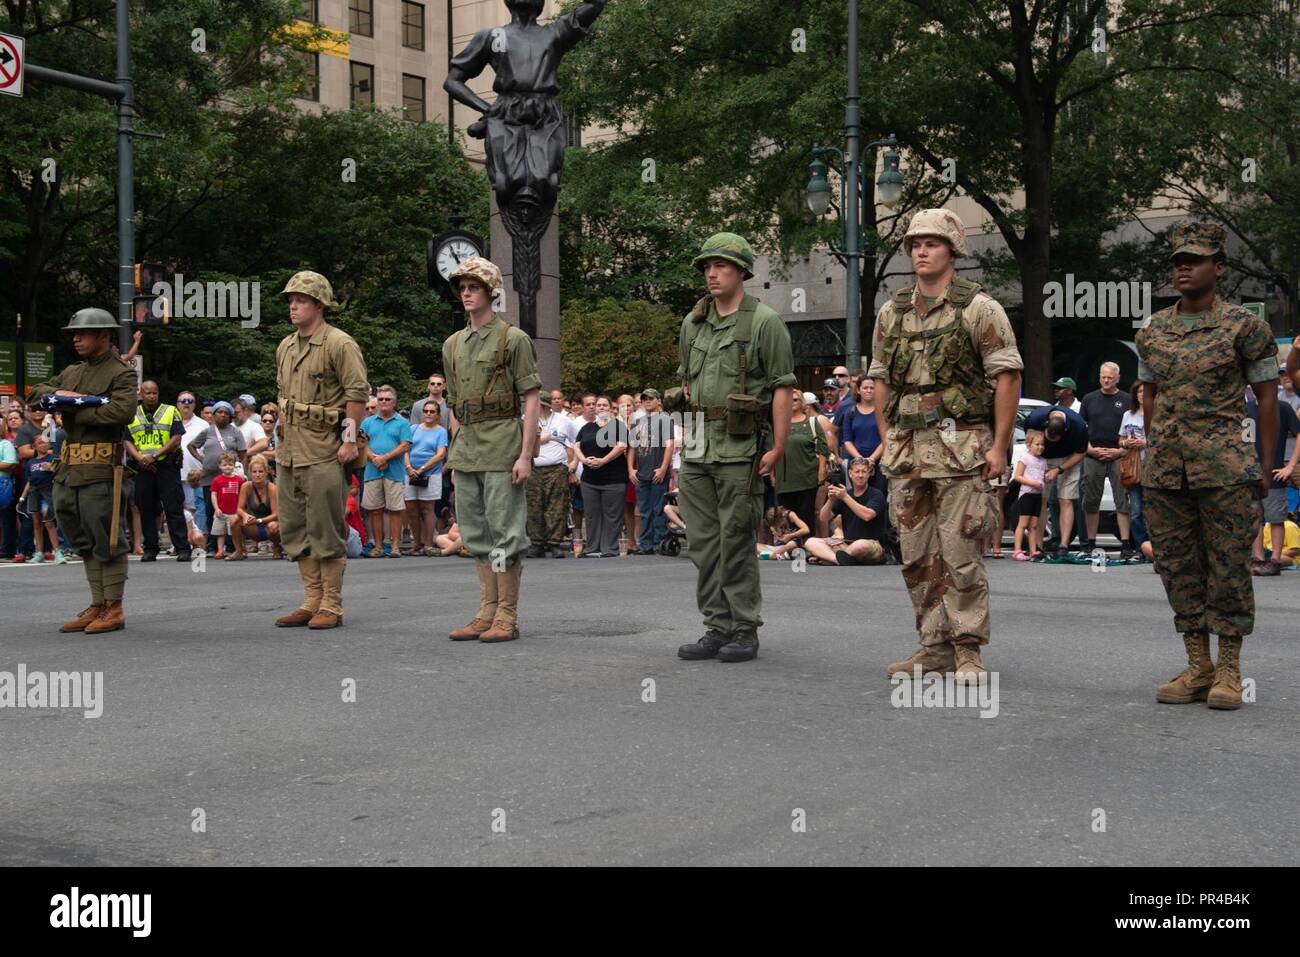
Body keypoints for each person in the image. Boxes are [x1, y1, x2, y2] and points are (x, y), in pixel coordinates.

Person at [869, 208, 1023, 681]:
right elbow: (880, 381)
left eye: (931, 243)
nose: (920, 250)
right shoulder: (891, 312)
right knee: (916, 555)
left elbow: (1006, 376)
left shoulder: (979, 308)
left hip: (962, 451)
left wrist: (999, 448)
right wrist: (886, 439)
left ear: (952, 249)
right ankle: (932, 644)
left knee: (960, 553)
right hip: (907, 454)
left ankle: (967, 649)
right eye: (914, 243)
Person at [1138, 222, 1277, 711]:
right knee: (1177, 568)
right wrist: (1155, 447)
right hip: (1165, 472)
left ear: (1218, 267)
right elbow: (1148, 394)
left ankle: (1231, 669)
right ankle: (1199, 666)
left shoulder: (1244, 326)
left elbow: (1266, 400)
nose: (1183, 268)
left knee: (1228, 567)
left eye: (1193, 260)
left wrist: (1264, 463)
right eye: (1178, 261)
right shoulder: (1153, 329)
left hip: (1224, 468)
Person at [669, 232, 795, 663]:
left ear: (742, 271)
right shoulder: (693, 323)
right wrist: (685, 440)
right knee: (702, 543)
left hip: (741, 448)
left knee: (736, 539)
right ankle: (716, 626)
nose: (711, 272)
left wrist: (778, 446)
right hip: (699, 444)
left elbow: (781, 388)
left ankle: (744, 628)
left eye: (720, 265)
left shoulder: (764, 322)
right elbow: (687, 385)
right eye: (707, 266)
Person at [442, 257, 542, 642]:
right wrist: (455, 451)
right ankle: (486, 610)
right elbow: (454, 404)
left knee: (505, 531)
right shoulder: (453, 344)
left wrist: (525, 453)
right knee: (475, 531)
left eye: (474, 287)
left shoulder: (512, 339)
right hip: (468, 447)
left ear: (490, 293)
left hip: (503, 443)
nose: (467, 293)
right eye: (463, 288)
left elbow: (531, 398)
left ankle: (507, 614)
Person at [27, 308, 137, 633]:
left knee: (106, 535)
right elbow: (37, 393)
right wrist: (65, 397)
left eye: (83, 334)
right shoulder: (72, 371)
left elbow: (122, 411)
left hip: (102, 468)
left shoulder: (121, 372)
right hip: (69, 466)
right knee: (80, 535)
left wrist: (77, 406)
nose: (76, 339)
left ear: (104, 335)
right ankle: (98, 603)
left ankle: (114, 607)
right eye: (75, 334)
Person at [272, 270, 368, 630]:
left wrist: (347, 439)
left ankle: (332, 603)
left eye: (300, 300)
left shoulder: (339, 344)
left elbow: (357, 395)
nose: (293, 306)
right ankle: (311, 598)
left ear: (319, 304)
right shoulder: (285, 346)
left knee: (326, 528)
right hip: (290, 449)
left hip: (325, 447)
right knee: (295, 528)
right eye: (291, 300)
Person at [124, 380, 189, 562]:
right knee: (146, 509)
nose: (151, 396)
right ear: (141, 395)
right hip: (143, 468)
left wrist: (156, 455)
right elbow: (127, 440)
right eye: (148, 393)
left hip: (166, 465)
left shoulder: (170, 411)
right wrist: (140, 459)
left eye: (154, 393)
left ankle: (182, 547)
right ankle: (150, 548)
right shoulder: (132, 414)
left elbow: (176, 438)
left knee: (173, 507)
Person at [1079, 362, 1134, 558]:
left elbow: (1133, 429)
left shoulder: (1127, 399)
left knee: (1122, 500)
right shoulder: (1089, 399)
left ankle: (1126, 544)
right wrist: (1090, 450)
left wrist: (1119, 451)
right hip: (1094, 453)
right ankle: (1090, 543)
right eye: (1103, 376)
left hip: (1119, 453)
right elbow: (1080, 429)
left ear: (1118, 378)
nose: (1106, 380)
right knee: (1091, 499)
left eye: (1110, 377)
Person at [1245, 388, 1300, 576]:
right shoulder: (1247, 408)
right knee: (1255, 518)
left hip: (1274, 472)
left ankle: (1275, 560)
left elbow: (1298, 433)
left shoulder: (1283, 408)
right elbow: (1244, 439)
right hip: (1251, 472)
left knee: (1276, 517)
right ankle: (1259, 558)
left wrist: (1290, 465)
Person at [1024, 404, 1088, 554]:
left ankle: (1063, 545)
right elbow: (1030, 441)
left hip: (1069, 459)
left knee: (1065, 500)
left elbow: (1081, 453)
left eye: (1055, 439)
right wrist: (1035, 462)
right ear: (1046, 424)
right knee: (1041, 501)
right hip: (1043, 459)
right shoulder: (1035, 418)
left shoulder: (1078, 426)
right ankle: (1038, 545)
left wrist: (1059, 470)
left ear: (1065, 430)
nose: (1051, 440)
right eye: (1048, 437)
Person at [359, 385, 413, 558]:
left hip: (394, 471)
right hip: (372, 471)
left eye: (387, 399)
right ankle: (378, 546)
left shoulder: (402, 423)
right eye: (381, 399)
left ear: (394, 402)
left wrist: (385, 458)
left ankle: (395, 546)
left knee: (395, 510)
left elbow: (405, 445)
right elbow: (361, 444)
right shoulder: (367, 422)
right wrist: (374, 458)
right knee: (375, 510)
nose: (383, 402)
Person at [187, 401, 247, 553]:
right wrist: (202, 460)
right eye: (219, 412)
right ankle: (213, 544)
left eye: (226, 413)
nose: (223, 415)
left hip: (230, 478)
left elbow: (243, 452)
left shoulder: (235, 432)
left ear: (230, 416)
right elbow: (191, 446)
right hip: (209, 479)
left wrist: (239, 466)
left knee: (230, 509)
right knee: (210, 510)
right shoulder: (208, 432)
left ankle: (231, 543)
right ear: (213, 415)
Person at [806, 458, 888, 566]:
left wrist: (845, 497)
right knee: (811, 542)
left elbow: (867, 515)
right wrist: (830, 500)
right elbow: (823, 518)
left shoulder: (876, 494)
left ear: (869, 474)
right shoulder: (844, 494)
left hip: (872, 544)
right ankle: (837, 560)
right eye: (857, 471)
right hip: (847, 543)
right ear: (850, 473)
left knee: (860, 545)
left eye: (864, 471)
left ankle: (829, 558)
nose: (860, 475)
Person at [526, 387, 578, 558]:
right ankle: (536, 543)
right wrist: (540, 439)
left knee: (556, 506)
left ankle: (554, 542)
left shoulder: (564, 421)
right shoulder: (526, 420)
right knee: (534, 507)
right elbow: (520, 442)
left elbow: (574, 442)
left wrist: (573, 463)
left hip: (557, 467)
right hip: (534, 467)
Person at [774, 389, 828, 545]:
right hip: (784, 478)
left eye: (796, 399)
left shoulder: (811, 422)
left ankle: (807, 546)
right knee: (785, 515)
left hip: (807, 477)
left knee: (806, 515)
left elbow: (823, 448)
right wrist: (772, 473)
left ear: (802, 402)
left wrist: (821, 470)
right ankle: (789, 547)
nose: (792, 402)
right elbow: (772, 449)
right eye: (789, 399)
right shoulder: (778, 423)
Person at [576, 403, 629, 558]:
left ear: (611, 409)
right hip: (589, 480)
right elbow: (576, 446)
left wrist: (603, 461)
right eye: (598, 405)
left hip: (613, 479)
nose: (601, 407)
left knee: (612, 516)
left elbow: (621, 446)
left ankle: (609, 549)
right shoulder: (587, 427)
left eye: (605, 405)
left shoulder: (618, 426)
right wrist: (584, 460)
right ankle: (592, 548)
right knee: (592, 515)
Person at [629, 388, 675, 555]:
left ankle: (659, 543)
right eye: (644, 398)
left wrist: (663, 468)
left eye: (651, 398)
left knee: (658, 509)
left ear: (659, 401)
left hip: (657, 471)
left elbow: (670, 445)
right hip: (641, 472)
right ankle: (646, 544)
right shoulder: (638, 422)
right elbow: (632, 447)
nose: (647, 401)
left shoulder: (665, 420)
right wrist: (630, 469)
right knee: (644, 510)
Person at [405, 401, 449, 556]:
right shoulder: (413, 428)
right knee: (411, 509)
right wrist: (410, 468)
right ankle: (416, 544)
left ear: (438, 414)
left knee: (427, 509)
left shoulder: (441, 431)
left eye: (432, 411)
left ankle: (428, 544)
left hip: (430, 473)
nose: (428, 414)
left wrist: (422, 469)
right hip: (410, 473)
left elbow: (440, 454)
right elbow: (406, 449)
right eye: (426, 411)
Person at [1119, 383, 1154, 561]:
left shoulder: (1156, 414)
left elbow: (1161, 439)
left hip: (1152, 467)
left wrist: (1145, 443)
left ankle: (1154, 546)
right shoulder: (1128, 414)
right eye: (1139, 392)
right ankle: (1141, 548)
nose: (1142, 395)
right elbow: (1121, 438)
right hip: (1133, 467)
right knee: (1136, 511)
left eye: (1145, 392)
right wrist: (1127, 443)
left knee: (1152, 510)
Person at [23, 434, 65, 563]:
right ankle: (39, 552)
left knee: (49, 522)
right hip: (34, 492)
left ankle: (58, 552)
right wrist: (22, 497)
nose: (44, 445)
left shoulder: (53, 458)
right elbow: (29, 481)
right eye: (40, 443)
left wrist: (52, 468)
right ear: (34, 446)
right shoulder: (31, 462)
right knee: (36, 523)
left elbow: (62, 473)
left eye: (46, 442)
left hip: (48, 492)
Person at [235, 453, 280, 559]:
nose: (257, 474)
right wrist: (245, 515)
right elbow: (239, 508)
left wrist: (259, 521)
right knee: (234, 519)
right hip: (253, 526)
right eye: (254, 472)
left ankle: (277, 547)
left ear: (266, 472)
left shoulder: (272, 488)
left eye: (260, 471)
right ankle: (239, 551)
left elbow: (276, 514)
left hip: (270, 525)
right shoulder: (246, 486)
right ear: (250, 473)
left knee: (273, 526)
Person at [1012, 430, 1047, 560]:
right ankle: (1017, 550)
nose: (1040, 447)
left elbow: (1042, 477)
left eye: (1042, 444)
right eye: (1037, 444)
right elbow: (1018, 477)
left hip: (1037, 496)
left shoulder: (1043, 461)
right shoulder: (1025, 459)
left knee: (1034, 525)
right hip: (1027, 494)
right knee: (1023, 523)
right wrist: (1032, 483)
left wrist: (1045, 479)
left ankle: (1033, 550)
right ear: (1029, 445)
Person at [209, 452, 244, 560]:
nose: (227, 467)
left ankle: (237, 549)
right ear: (219, 466)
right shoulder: (217, 480)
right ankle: (220, 550)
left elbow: (242, 496)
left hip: (234, 512)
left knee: (235, 532)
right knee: (220, 533)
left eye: (230, 464)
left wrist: (241, 509)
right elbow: (213, 495)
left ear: (234, 465)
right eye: (224, 465)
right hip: (221, 511)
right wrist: (216, 508)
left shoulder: (239, 480)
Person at [233, 394, 268, 473]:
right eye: (233, 413)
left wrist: (244, 453)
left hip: (245, 470)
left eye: (237, 412)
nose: (234, 415)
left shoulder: (254, 426)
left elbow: (264, 443)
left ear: (245, 411)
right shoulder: (228, 426)